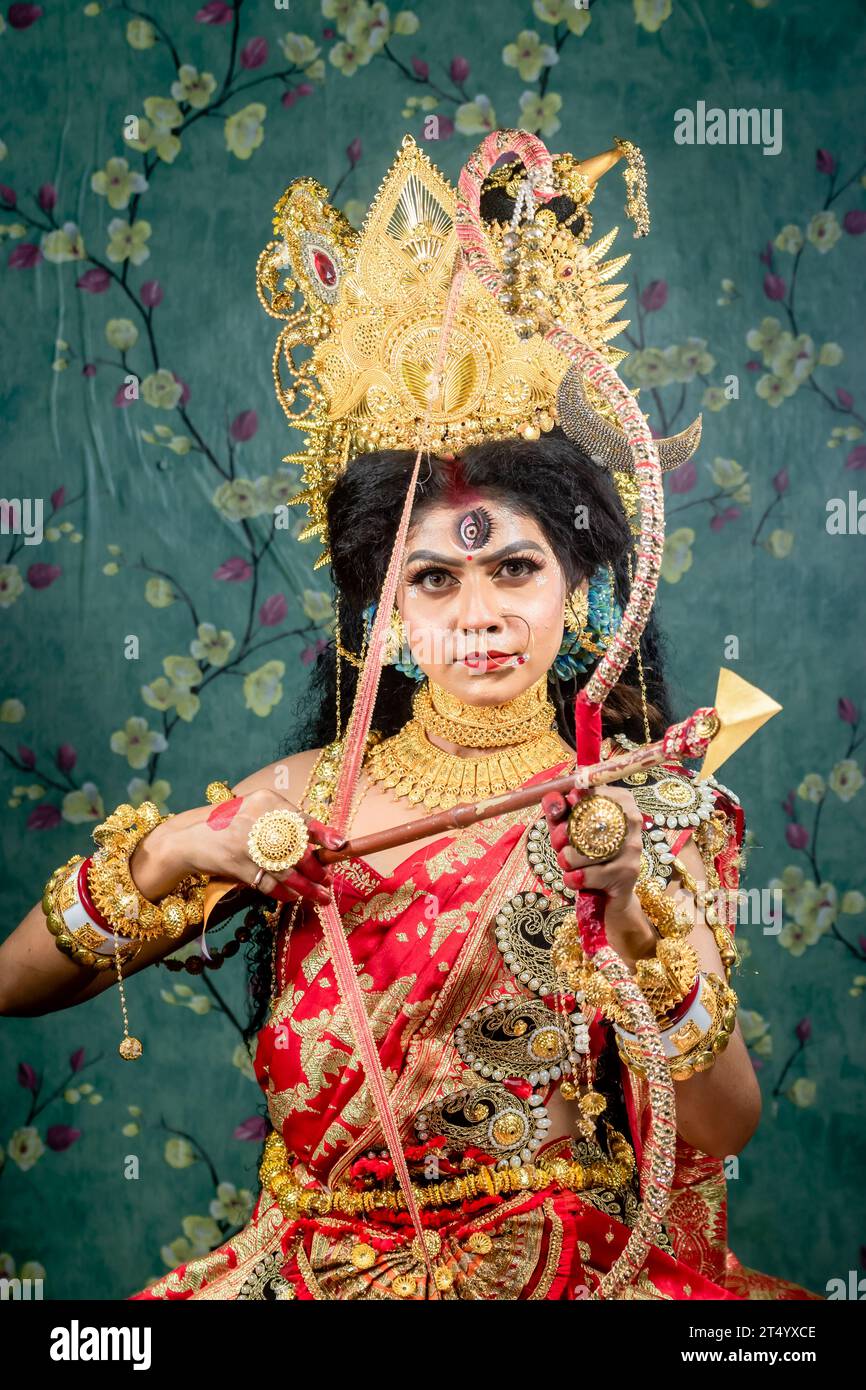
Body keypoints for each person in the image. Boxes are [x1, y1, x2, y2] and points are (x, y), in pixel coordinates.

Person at [0, 130, 822, 1301]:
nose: (477, 614)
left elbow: (722, 1124)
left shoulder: (639, 812)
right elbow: (16, 982)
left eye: (514, 571)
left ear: (576, 589)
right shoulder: (295, 804)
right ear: (378, 615)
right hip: (305, 1269)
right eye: (431, 577)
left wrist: (636, 920)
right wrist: (183, 848)